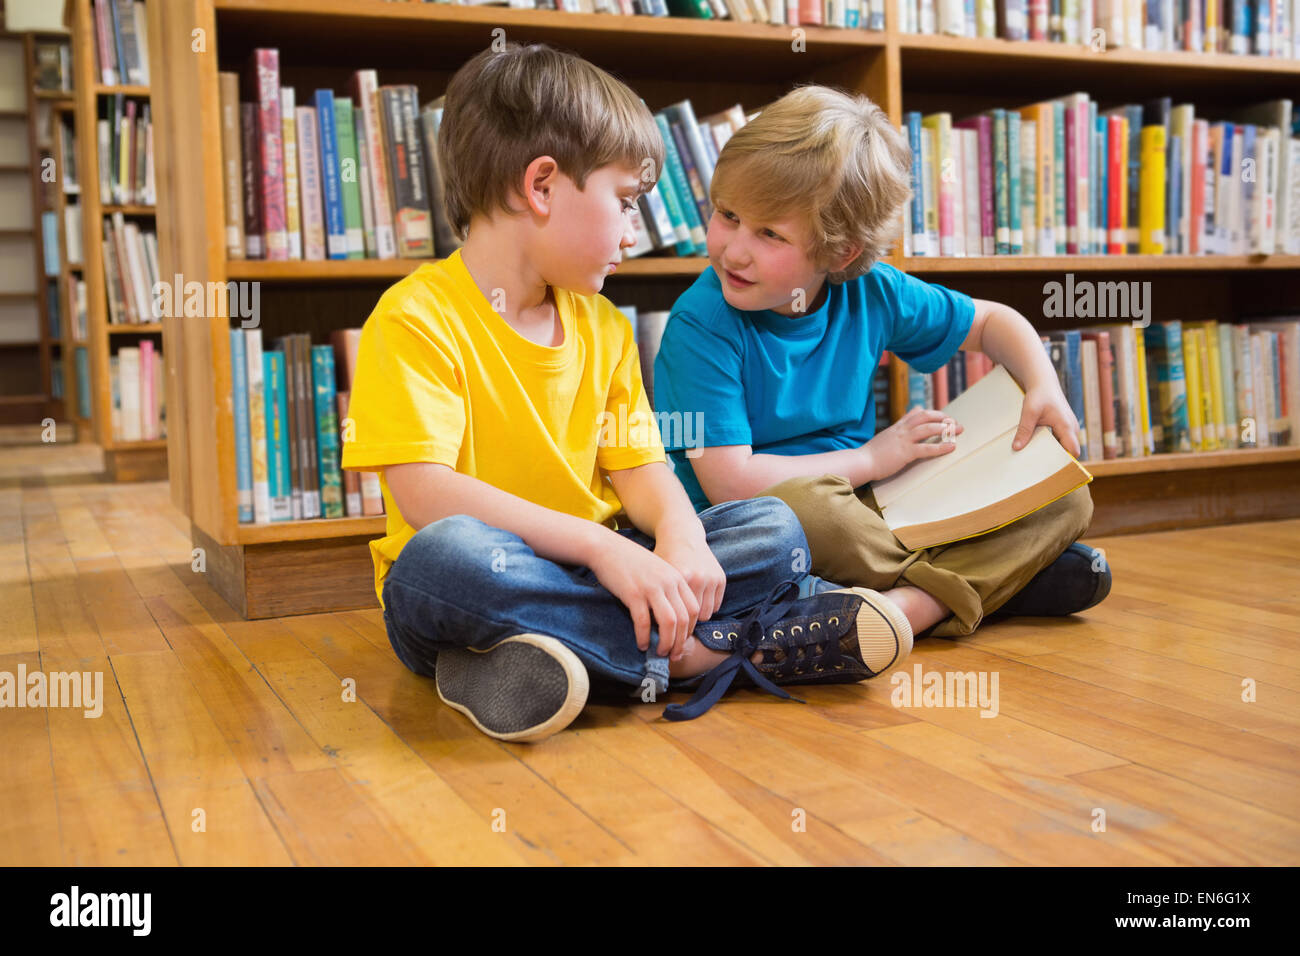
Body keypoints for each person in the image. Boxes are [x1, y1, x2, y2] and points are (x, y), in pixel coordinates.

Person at [340, 47, 914, 743]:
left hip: (610, 569)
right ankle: (712, 652)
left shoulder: (604, 326)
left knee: (771, 528)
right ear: (542, 186)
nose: (636, 230)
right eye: (626, 201)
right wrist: (603, 552)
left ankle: (527, 659)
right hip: (486, 582)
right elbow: (427, 496)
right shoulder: (414, 319)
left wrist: (677, 533)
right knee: (444, 559)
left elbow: (640, 468)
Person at [653, 85, 1111, 643]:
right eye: (727, 215)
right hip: (759, 521)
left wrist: (1044, 385)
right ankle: (980, 584)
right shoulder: (701, 324)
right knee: (802, 513)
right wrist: (872, 457)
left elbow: (994, 323)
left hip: (871, 503)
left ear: (839, 253)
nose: (733, 250)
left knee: (1064, 495)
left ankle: (904, 604)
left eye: (769, 233)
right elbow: (732, 485)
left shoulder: (873, 291)